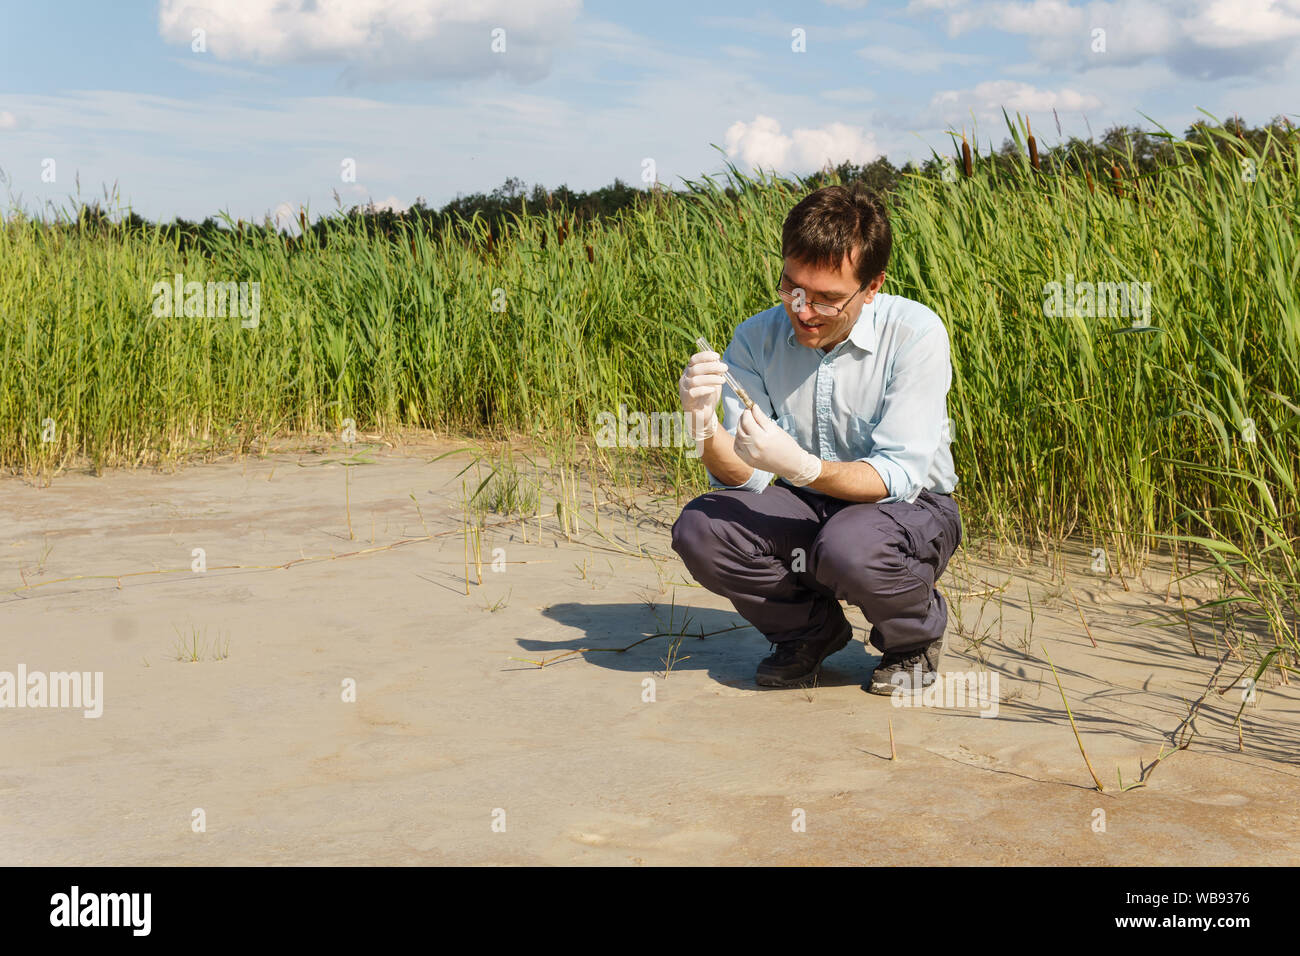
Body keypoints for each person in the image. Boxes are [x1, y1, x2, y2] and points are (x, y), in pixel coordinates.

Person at [671, 184, 961, 693]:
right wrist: (703, 425)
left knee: (849, 544)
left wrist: (805, 466)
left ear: (871, 287)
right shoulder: (754, 339)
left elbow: (899, 473)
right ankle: (810, 633)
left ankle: (912, 639)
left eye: (827, 299)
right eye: (792, 287)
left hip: (909, 507)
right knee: (701, 527)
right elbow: (747, 476)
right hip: (805, 508)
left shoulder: (915, 333)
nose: (802, 311)